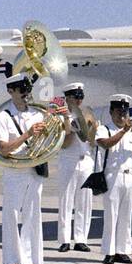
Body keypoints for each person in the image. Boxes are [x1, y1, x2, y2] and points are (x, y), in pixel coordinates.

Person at [0, 73, 47, 264]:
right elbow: (4, 148)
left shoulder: (38, 114)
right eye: (21, 90)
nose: (25, 94)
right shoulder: (4, 116)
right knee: (11, 216)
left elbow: (50, 142)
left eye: (27, 90)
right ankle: (12, 263)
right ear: (10, 91)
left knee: (31, 216)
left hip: (34, 170)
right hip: (15, 170)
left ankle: (26, 262)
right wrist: (28, 135)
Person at [96, 95, 132, 264]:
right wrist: (123, 132)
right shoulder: (105, 129)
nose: (122, 115)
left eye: (125, 112)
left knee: (126, 216)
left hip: (130, 176)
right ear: (111, 112)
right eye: (118, 111)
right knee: (111, 215)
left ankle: (123, 250)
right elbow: (104, 144)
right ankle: (109, 251)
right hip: (113, 175)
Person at [54, 82, 96, 252]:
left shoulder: (88, 113)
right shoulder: (59, 117)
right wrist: (68, 125)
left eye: (81, 97)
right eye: (75, 97)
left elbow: (91, 142)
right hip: (69, 160)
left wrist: (92, 127)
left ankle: (81, 238)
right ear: (67, 98)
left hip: (85, 160)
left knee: (84, 202)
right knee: (66, 200)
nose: (79, 101)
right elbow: (64, 144)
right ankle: (64, 239)